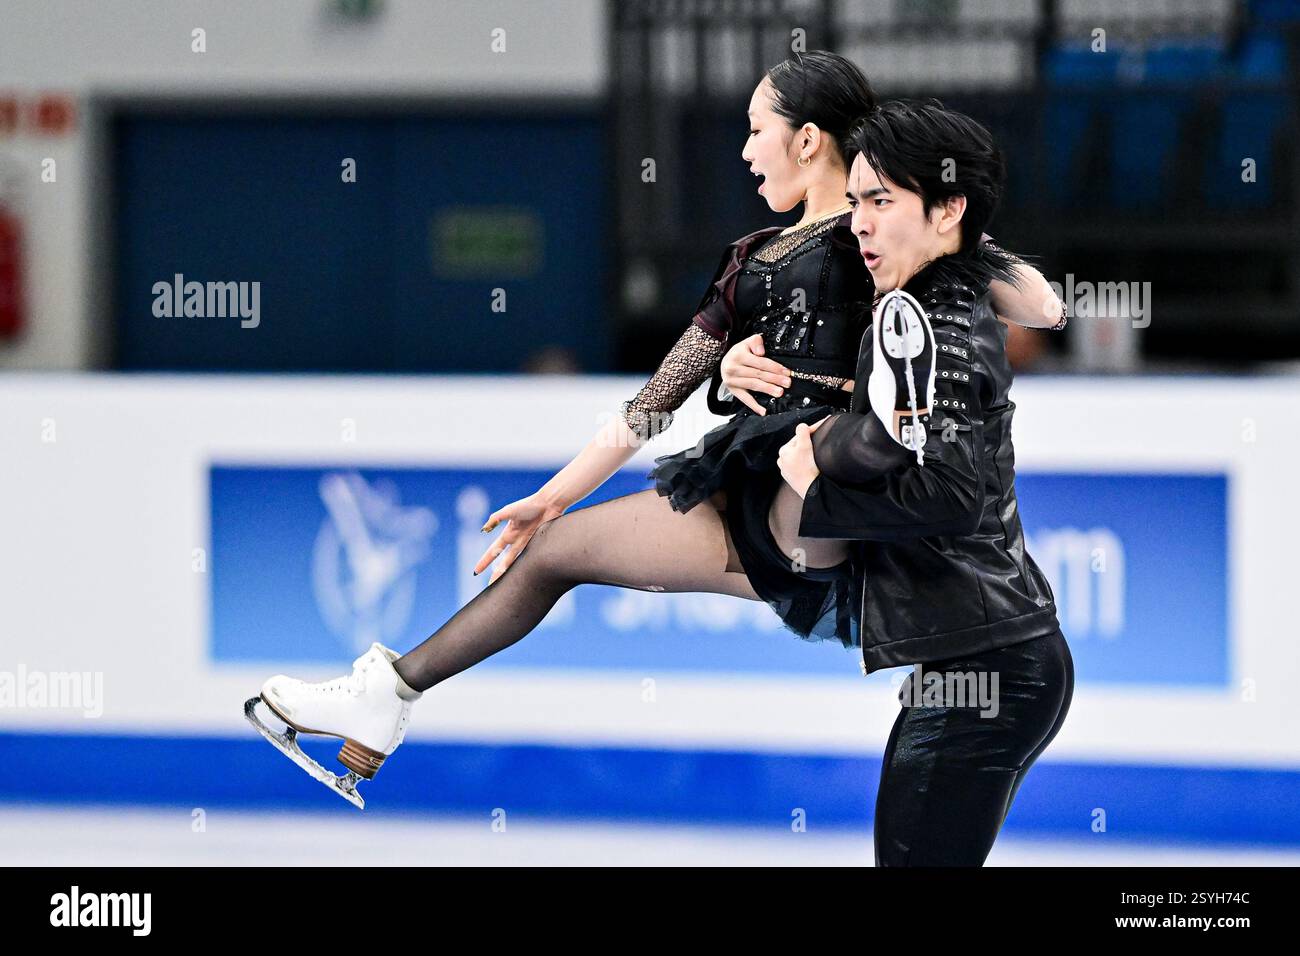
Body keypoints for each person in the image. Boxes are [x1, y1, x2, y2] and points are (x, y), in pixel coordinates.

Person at [246, 54, 1067, 811]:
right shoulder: (752, 258)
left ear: (809, 140)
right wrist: (557, 491)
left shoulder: (879, 234)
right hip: (771, 494)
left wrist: (957, 237)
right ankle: (387, 697)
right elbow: (655, 398)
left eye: (757, 130)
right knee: (555, 552)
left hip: (828, 498)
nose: (746, 153)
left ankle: (387, 696)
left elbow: (1044, 307)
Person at [774, 99, 1074, 866]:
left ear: (948, 211)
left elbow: (948, 492)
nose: (860, 223)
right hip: (992, 658)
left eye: (881, 202)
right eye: (854, 203)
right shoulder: (930, 293)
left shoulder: (926, 314)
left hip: (990, 665)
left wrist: (816, 489)